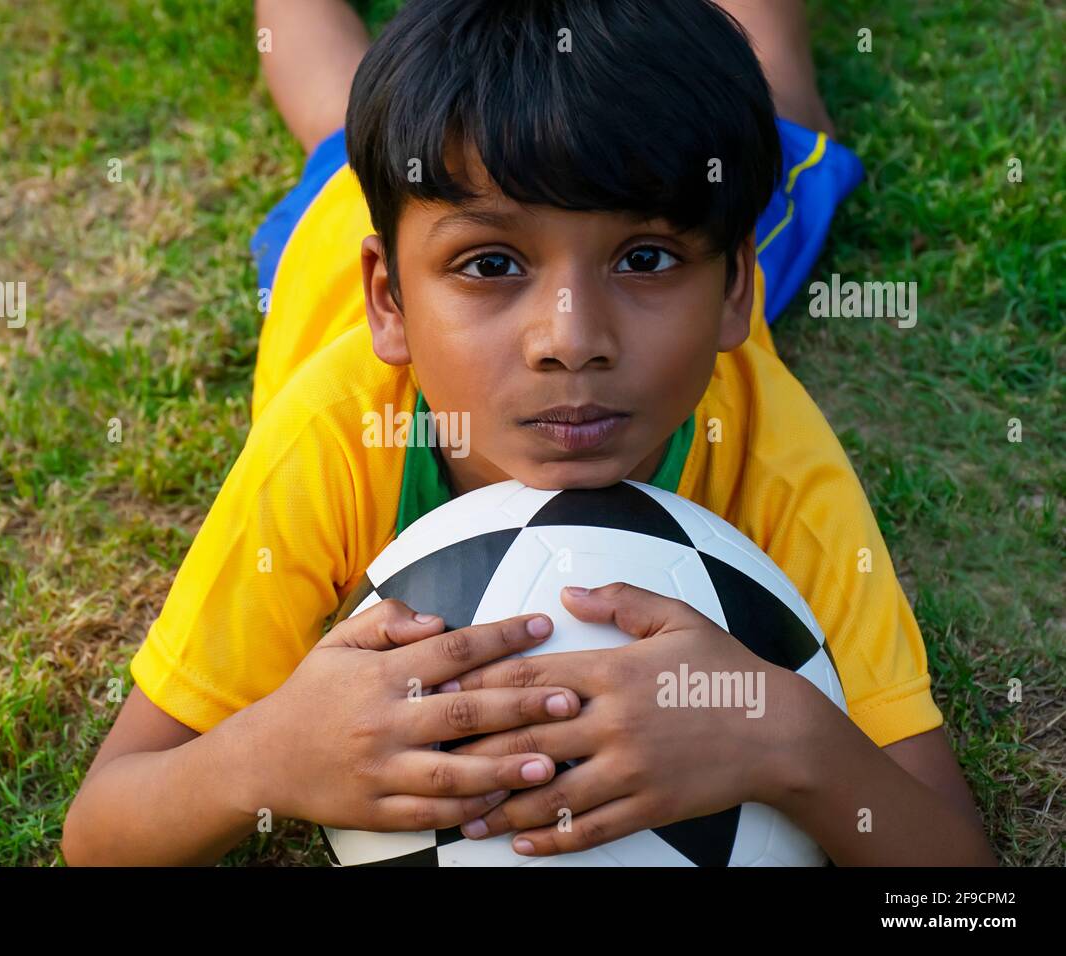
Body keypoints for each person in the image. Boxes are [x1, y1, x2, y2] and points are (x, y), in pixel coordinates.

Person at [61, 0, 995, 866]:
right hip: (336, 222)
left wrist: (788, 738)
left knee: (778, 96)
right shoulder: (333, 440)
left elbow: (960, 876)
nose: (571, 339)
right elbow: (102, 827)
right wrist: (257, 762)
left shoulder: (771, 456)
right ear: (389, 300)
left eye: (646, 256)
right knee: (336, 121)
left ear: (733, 293)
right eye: (493, 262)